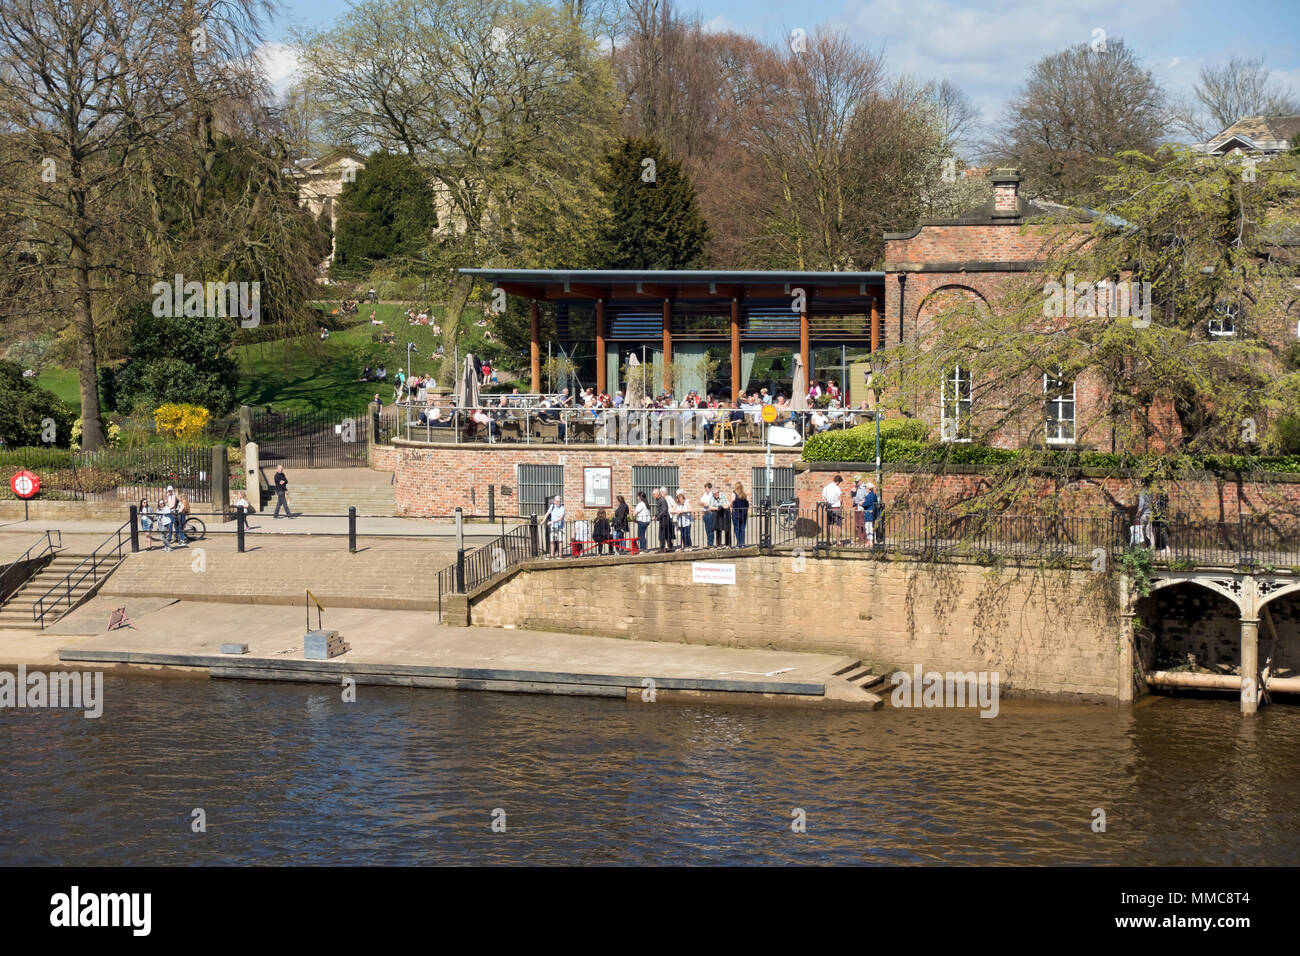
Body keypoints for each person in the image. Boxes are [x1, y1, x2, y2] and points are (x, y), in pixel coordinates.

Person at [823, 474, 844, 543]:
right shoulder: (837, 488)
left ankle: (828, 541)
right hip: (837, 508)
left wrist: (828, 504)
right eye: (839, 482)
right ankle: (838, 541)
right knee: (838, 525)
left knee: (829, 525)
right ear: (838, 481)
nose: (839, 484)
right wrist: (841, 505)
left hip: (829, 508)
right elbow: (841, 499)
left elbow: (824, 498)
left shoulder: (826, 487)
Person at [700, 482, 721, 546]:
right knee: (707, 529)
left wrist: (705, 504)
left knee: (710, 529)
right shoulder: (705, 494)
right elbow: (700, 502)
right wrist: (704, 504)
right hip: (705, 513)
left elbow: (708, 504)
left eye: (706, 489)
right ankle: (709, 543)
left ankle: (710, 544)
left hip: (710, 513)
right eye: (705, 489)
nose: (705, 490)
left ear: (710, 488)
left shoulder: (711, 495)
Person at [654, 487, 674, 552]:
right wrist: (656, 515)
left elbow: (664, 510)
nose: (653, 496)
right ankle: (667, 547)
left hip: (665, 519)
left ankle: (663, 548)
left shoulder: (662, 500)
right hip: (663, 518)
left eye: (653, 494)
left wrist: (657, 517)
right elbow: (660, 510)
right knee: (665, 534)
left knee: (662, 534)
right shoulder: (660, 499)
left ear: (657, 494)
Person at [863, 481, 880, 546]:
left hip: (868, 513)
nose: (865, 489)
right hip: (873, 513)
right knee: (872, 527)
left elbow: (866, 504)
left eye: (866, 488)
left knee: (868, 527)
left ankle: (870, 541)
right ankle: (874, 540)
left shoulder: (868, 496)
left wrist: (862, 503)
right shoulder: (874, 495)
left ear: (868, 489)